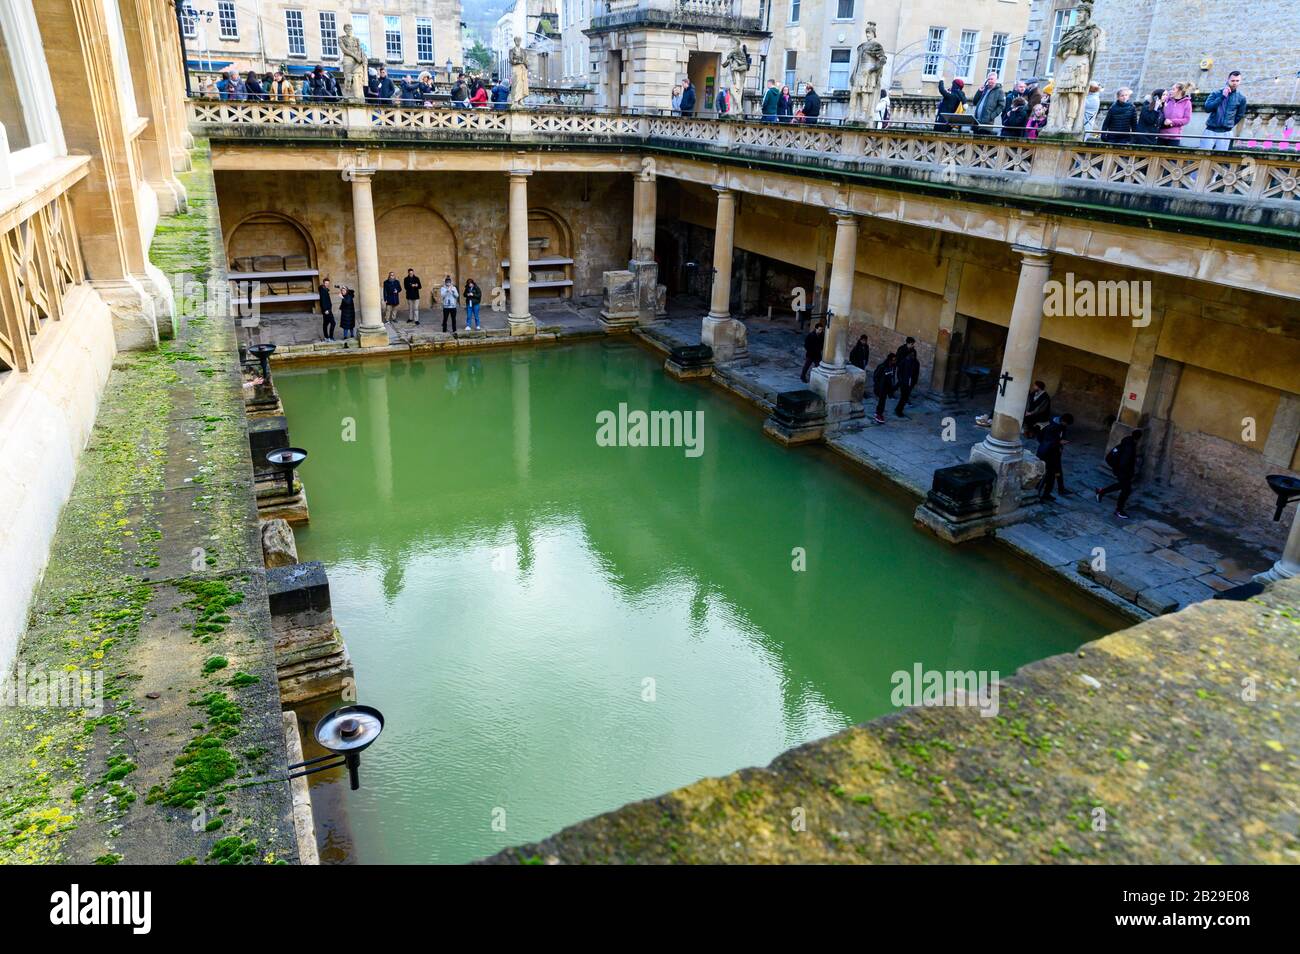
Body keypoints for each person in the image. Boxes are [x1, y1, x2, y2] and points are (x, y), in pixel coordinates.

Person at [1097, 429, 1142, 519]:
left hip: (1120, 470)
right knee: (1126, 490)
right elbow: (1124, 462)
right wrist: (1127, 473)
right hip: (1123, 472)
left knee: (1121, 486)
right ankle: (1119, 510)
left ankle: (1101, 492)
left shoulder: (1127, 441)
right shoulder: (1130, 447)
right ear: (1139, 438)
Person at [1202, 71, 1247, 150]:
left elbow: (1240, 115)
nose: (1235, 83)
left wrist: (1229, 124)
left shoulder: (1241, 98)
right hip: (1210, 130)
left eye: (1237, 81)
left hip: (1226, 132)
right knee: (1203, 155)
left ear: (1240, 81)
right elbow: (1207, 108)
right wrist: (1222, 97)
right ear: (1228, 80)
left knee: (1220, 159)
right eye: (1233, 80)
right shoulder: (1216, 93)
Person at [1035, 413, 1074, 503]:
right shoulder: (1052, 427)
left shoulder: (1060, 426)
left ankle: (1049, 493)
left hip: (1054, 453)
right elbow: (1046, 439)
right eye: (1066, 424)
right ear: (1063, 421)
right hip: (1047, 454)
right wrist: (1059, 442)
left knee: (1055, 473)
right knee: (1047, 475)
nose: (1066, 426)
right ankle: (1038, 494)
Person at [894, 337, 920, 417]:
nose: (913, 346)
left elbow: (916, 372)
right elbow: (898, 362)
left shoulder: (915, 361)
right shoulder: (902, 350)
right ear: (908, 343)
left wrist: (914, 381)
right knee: (903, 395)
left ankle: (900, 406)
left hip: (909, 378)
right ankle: (898, 409)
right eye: (912, 344)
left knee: (905, 395)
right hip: (903, 375)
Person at [1160, 82, 1192, 147]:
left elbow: (1186, 120)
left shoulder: (1187, 103)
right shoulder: (1167, 99)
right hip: (1160, 135)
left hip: (1174, 137)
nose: (1171, 91)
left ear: (1180, 91)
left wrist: (1172, 121)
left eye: (1173, 89)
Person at [872, 352, 898, 424]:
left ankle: (878, 413)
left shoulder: (892, 367)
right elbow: (875, 377)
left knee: (882, 401)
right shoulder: (882, 367)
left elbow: (891, 377)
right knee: (882, 402)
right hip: (881, 388)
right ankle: (878, 415)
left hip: (887, 388)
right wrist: (878, 386)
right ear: (890, 360)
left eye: (895, 360)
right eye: (893, 360)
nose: (895, 361)